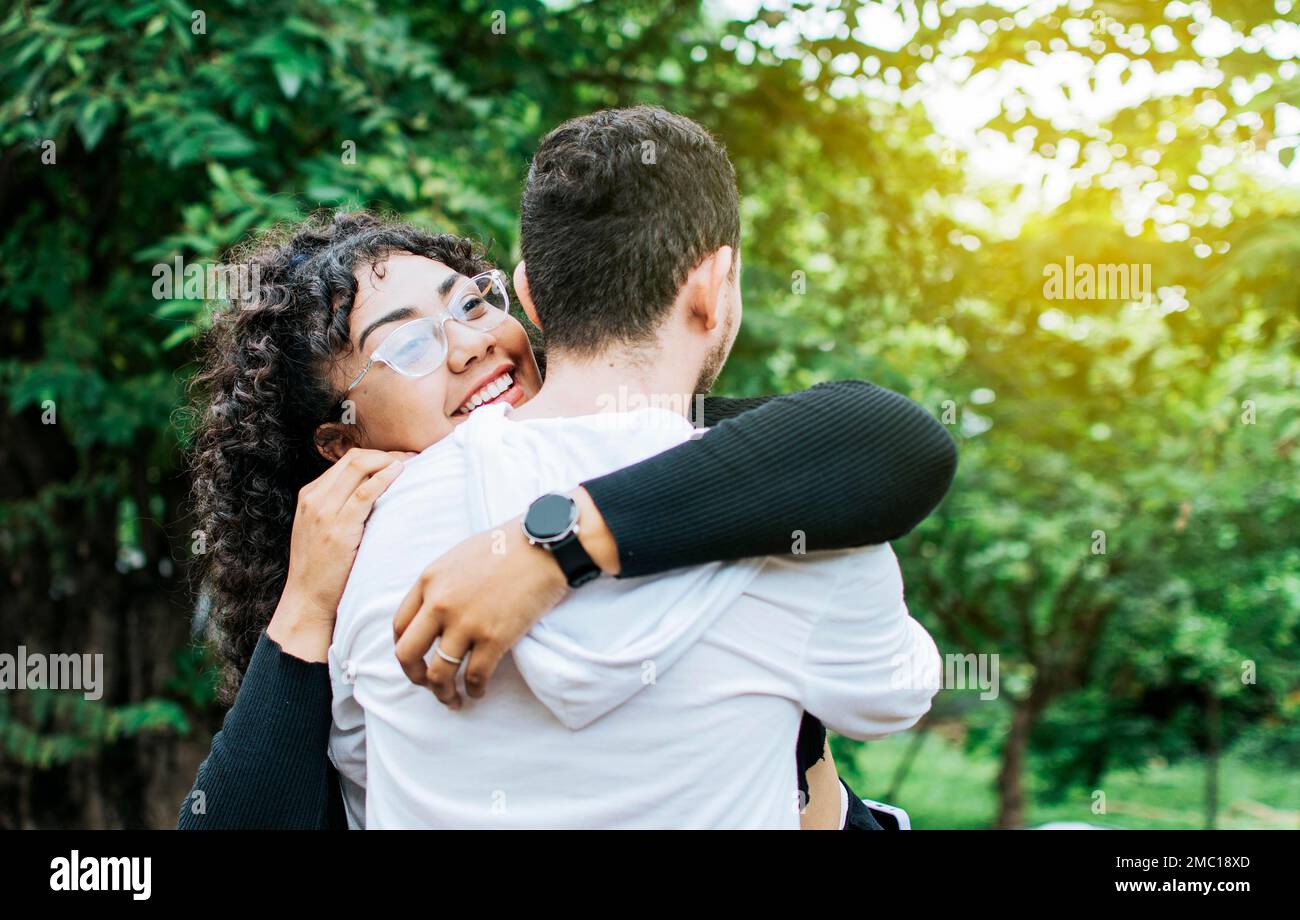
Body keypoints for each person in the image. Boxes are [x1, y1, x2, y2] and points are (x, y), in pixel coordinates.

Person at [326, 107, 943, 828]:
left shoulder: (376, 533)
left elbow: (359, 763)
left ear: (528, 295)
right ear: (713, 287)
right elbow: (896, 696)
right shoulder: (801, 533)